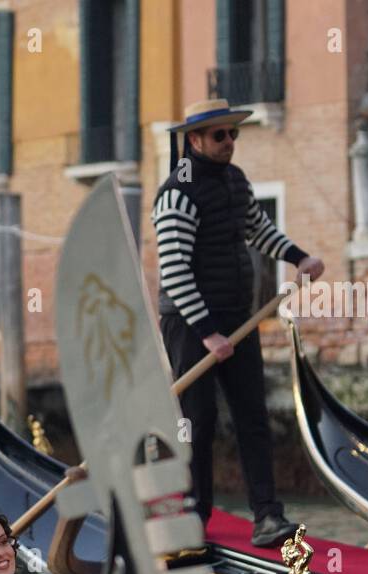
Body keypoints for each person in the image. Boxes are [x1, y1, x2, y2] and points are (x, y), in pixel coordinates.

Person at [152, 99, 325, 548]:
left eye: (233, 134)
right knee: (198, 420)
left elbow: (259, 229)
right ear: (194, 140)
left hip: (237, 319)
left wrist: (299, 257)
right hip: (190, 324)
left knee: (253, 416)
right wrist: (208, 332)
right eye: (219, 136)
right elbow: (174, 270)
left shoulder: (234, 180)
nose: (229, 142)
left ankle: (268, 517)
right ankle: (194, 517)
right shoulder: (177, 192)